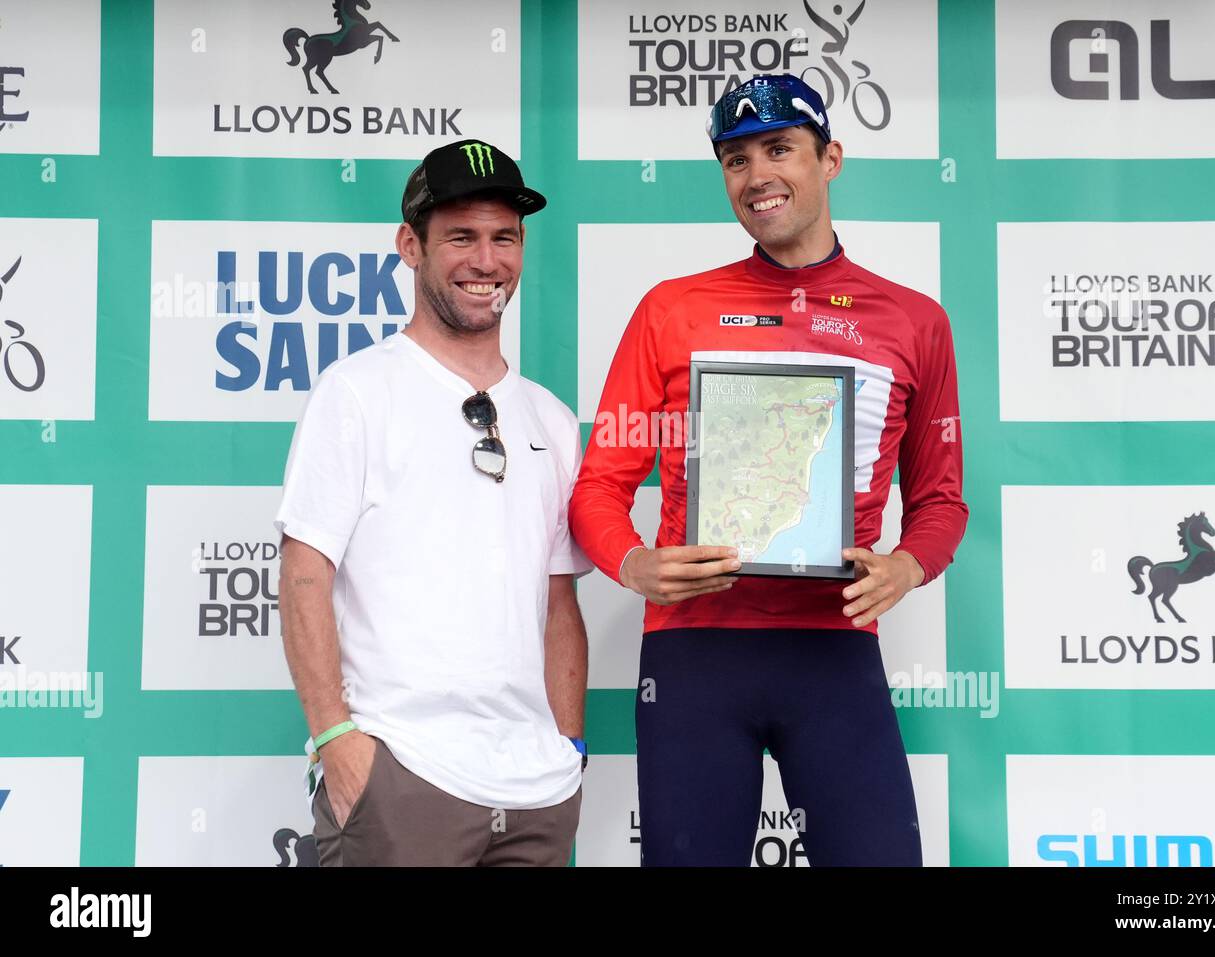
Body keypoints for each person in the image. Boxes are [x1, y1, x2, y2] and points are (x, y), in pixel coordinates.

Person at [570, 75, 968, 866]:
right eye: (735, 159)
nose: (756, 177)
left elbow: (941, 500)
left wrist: (906, 565)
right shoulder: (670, 309)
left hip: (834, 651)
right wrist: (633, 561)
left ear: (832, 159)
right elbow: (598, 487)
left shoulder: (915, 320)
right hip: (693, 654)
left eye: (779, 149)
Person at [276, 139, 592, 866]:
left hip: (535, 793)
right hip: (403, 781)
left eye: (503, 237)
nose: (486, 261)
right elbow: (303, 577)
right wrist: (338, 745)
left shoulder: (549, 417)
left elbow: (558, 603)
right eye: (461, 237)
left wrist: (567, 747)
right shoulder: (356, 391)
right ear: (409, 246)